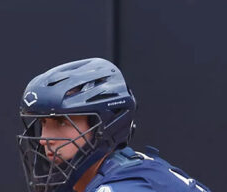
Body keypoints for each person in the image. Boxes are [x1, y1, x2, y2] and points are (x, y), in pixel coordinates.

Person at [17, 57, 211, 192]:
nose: (43, 138)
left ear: (103, 124)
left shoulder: (123, 186)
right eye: (43, 122)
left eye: (61, 122)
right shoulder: (115, 171)